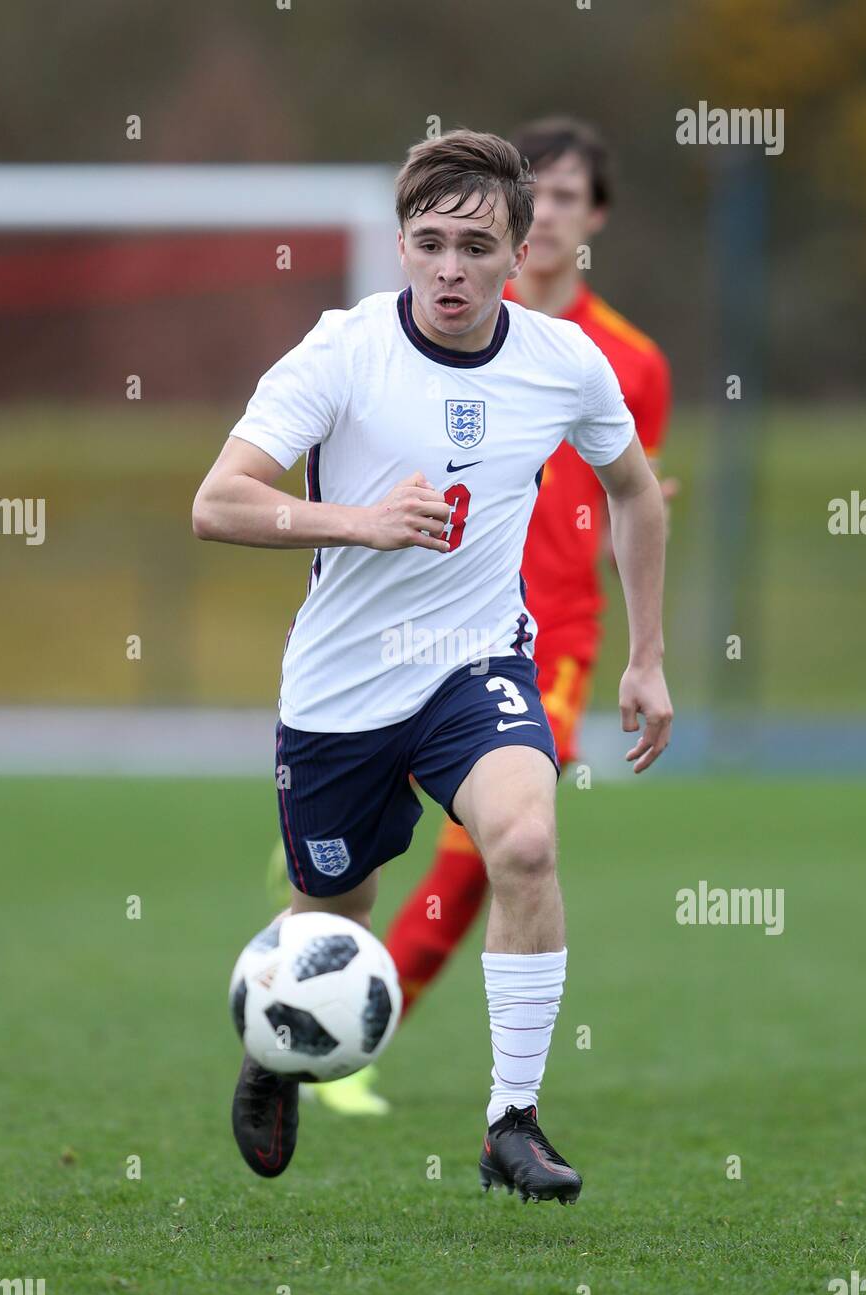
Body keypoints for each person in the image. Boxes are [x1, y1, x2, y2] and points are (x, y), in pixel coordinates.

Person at [193, 128, 672, 1204]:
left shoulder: (566, 363)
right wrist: (355, 521)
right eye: (428, 243)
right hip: (340, 690)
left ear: (520, 249)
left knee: (527, 841)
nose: (449, 268)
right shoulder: (341, 351)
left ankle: (512, 1118)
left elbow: (637, 491)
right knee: (337, 907)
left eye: (474, 244)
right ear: (401, 246)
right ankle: (277, 1048)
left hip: (476, 667)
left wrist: (647, 657)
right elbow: (215, 501)